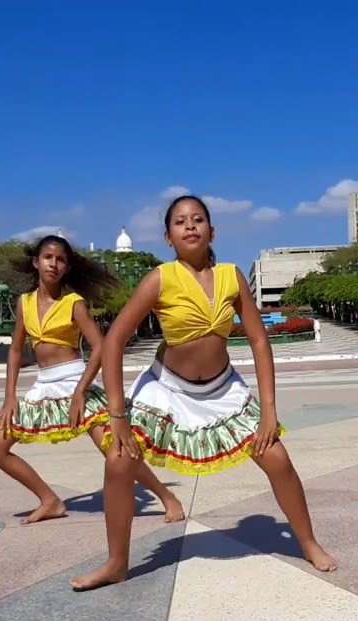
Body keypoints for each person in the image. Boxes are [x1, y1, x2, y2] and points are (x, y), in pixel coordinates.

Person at [71, 195, 336, 591]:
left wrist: (268, 410)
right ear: (168, 236)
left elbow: (260, 343)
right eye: (180, 222)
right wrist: (117, 414)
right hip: (166, 387)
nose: (190, 226)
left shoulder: (232, 276)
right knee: (119, 460)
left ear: (211, 230)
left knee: (276, 457)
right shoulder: (159, 279)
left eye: (198, 219)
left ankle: (309, 542)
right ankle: (116, 563)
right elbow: (113, 342)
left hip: (223, 388)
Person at [0, 235, 186, 525]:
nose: (53, 264)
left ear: (67, 267)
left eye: (60, 259)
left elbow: (101, 346)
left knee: (115, 448)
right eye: (48, 257)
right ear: (36, 262)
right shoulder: (24, 303)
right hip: (44, 386)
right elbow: (15, 351)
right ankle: (49, 500)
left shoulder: (74, 303)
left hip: (77, 380)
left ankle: (167, 497)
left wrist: (80, 390)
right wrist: (9, 398)